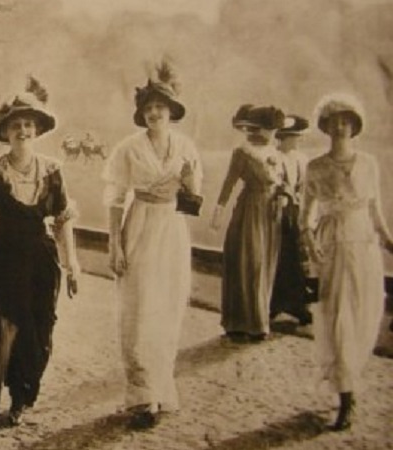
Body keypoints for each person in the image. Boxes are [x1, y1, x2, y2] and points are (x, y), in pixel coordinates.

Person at [0, 83, 81, 427]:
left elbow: (63, 220)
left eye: (28, 125)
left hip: (43, 259)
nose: (23, 131)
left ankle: (28, 387)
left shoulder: (51, 170)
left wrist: (72, 262)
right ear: (5, 131)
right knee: (18, 327)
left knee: (44, 325)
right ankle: (18, 395)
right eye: (16, 126)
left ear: (37, 130)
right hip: (6, 259)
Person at [101, 63, 203, 429]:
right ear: (142, 114)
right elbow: (114, 198)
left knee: (168, 307)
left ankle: (161, 389)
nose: (155, 113)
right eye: (149, 109)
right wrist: (115, 245)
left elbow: (191, 205)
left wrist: (191, 185)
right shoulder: (128, 149)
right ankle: (141, 396)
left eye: (161, 107)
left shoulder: (186, 147)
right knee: (139, 309)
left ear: (172, 111)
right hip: (140, 224)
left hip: (172, 230)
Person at [300, 93, 393, 431]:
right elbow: (304, 217)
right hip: (333, 249)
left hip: (365, 248)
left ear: (355, 126)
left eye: (346, 121)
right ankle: (346, 397)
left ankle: (350, 379)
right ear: (325, 127)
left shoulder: (369, 163)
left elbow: (376, 210)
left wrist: (388, 240)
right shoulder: (315, 167)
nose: (340, 127)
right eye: (335, 121)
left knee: (366, 315)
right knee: (338, 319)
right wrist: (310, 244)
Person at [211, 104, 286, 343]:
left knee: (266, 263)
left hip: (271, 212)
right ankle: (240, 322)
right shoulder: (243, 152)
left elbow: (280, 181)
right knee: (249, 261)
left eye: (274, 130)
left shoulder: (274, 151)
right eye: (270, 129)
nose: (273, 134)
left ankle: (259, 321)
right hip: (250, 210)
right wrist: (218, 212)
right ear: (260, 128)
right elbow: (229, 182)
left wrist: (284, 195)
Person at [269, 114, 313, 326]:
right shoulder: (273, 157)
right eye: (292, 136)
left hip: (295, 212)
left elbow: (305, 186)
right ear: (283, 137)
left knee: (296, 255)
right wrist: (284, 194)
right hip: (277, 212)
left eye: (297, 136)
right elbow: (273, 183)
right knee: (279, 255)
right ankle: (275, 304)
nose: (296, 140)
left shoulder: (301, 159)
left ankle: (298, 303)